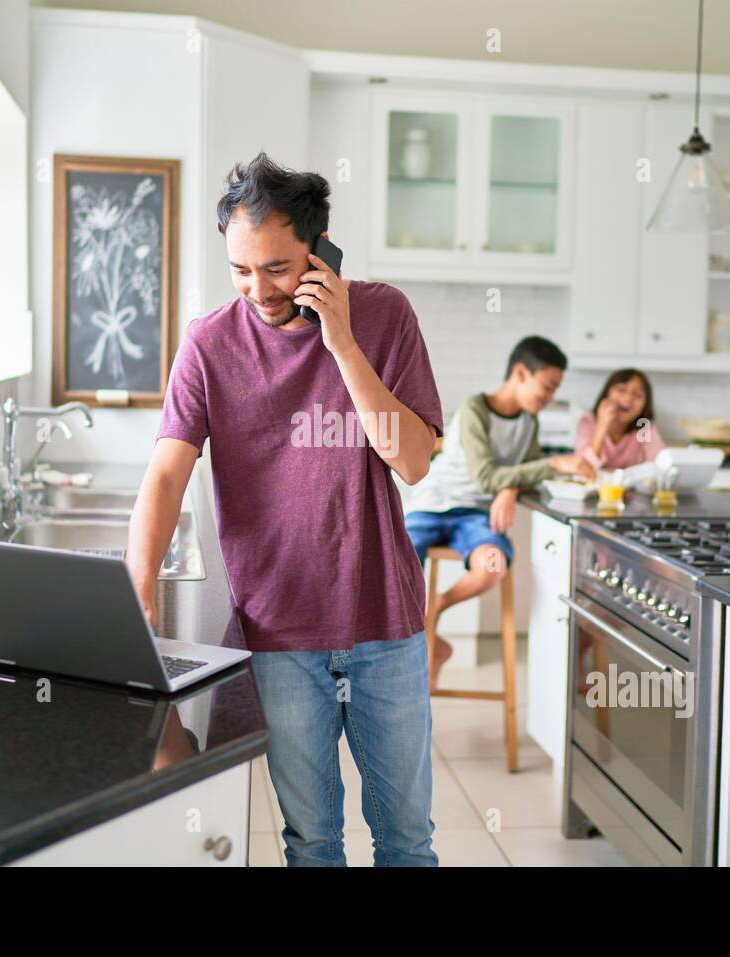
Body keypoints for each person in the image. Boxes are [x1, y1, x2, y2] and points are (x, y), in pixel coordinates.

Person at [128, 152, 443, 867]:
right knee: (311, 841)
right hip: (279, 634)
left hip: (383, 624)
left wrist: (341, 343)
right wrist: (137, 585)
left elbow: (414, 460)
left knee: (407, 840)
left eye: (275, 268)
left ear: (319, 248)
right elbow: (168, 471)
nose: (257, 289)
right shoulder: (209, 344)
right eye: (240, 269)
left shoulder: (383, 315)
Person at [404, 336, 594, 687]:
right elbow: (487, 474)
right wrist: (552, 464)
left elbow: (526, 471)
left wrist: (509, 488)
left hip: (476, 515)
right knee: (397, 573)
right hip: (432, 505)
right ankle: (430, 643)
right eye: (548, 387)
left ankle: (436, 609)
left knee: (493, 567)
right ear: (521, 373)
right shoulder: (475, 408)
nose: (550, 398)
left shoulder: (529, 422)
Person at [575, 367, 665, 471]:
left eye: (637, 395)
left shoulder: (644, 428)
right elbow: (583, 467)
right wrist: (601, 426)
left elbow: (660, 465)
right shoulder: (588, 422)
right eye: (621, 389)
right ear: (607, 393)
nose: (628, 398)